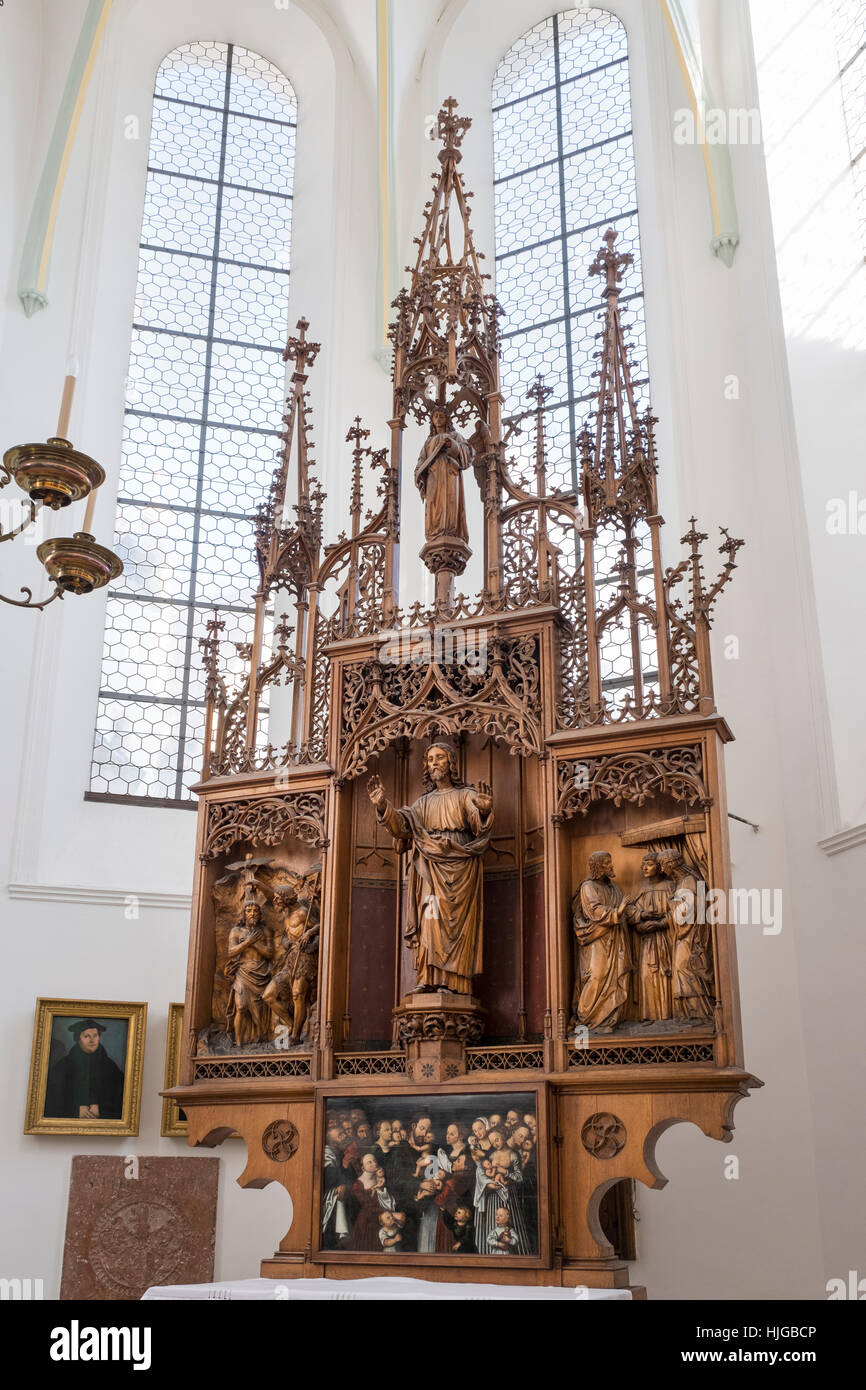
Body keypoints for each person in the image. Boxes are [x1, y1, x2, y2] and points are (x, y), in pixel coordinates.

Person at [368, 741, 493, 995]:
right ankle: (428, 978)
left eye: (440, 758)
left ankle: (455, 983)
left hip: (459, 867)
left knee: (453, 924)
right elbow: (403, 825)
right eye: (430, 759)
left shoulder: (466, 795)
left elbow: (478, 825)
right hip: (429, 869)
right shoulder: (423, 803)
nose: (434, 763)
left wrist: (483, 811)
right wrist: (383, 806)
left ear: (452, 763)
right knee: (430, 918)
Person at [571, 851, 633, 1032]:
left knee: (615, 979)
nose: (611, 866)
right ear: (598, 866)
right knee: (596, 977)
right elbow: (594, 911)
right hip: (596, 939)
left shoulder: (614, 888)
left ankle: (607, 1020)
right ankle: (586, 1020)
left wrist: (640, 914)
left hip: (615, 940)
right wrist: (617, 912)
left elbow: (626, 908)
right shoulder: (588, 887)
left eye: (610, 862)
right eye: (606, 863)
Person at [660, 850, 714, 1020]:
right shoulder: (684, 880)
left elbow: (688, 911)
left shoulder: (689, 881)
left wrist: (671, 906)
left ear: (671, 864)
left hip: (691, 934)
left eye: (663, 865)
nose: (662, 869)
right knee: (682, 970)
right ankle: (689, 1014)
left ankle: (700, 1014)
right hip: (684, 933)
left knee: (685, 969)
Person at [414, 407, 473, 545]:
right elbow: (421, 461)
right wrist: (418, 475)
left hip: (450, 474)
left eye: (442, 416)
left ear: (447, 419)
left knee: (451, 501)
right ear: (432, 421)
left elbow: (469, 452)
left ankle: (451, 531)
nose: (439, 419)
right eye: (436, 416)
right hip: (433, 477)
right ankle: (435, 533)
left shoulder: (455, 436)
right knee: (434, 505)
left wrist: (452, 445)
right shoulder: (428, 442)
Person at [43, 1019, 124, 1120]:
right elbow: (51, 1099)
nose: (92, 1040)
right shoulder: (63, 1066)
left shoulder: (110, 1066)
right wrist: (76, 1110)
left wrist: (101, 1109)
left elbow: (122, 1097)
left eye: (95, 1035)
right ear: (78, 1038)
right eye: (87, 1036)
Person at [628, 852, 674, 1021]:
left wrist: (661, 923)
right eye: (643, 864)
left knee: (665, 974)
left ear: (659, 866)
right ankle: (649, 1016)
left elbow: (679, 912)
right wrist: (641, 919)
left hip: (667, 938)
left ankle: (668, 1016)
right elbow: (630, 911)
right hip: (646, 940)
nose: (644, 868)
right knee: (647, 975)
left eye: (648, 864)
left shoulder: (670, 886)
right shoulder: (640, 888)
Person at [224, 896, 273, 1046]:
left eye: (255, 911)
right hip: (243, 972)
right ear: (244, 913)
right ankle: (239, 1043)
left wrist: (255, 944)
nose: (252, 913)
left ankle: (257, 1039)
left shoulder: (265, 931)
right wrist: (248, 942)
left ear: (260, 914)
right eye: (249, 910)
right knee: (240, 1006)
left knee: (258, 1013)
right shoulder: (236, 931)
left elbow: (270, 953)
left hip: (261, 973)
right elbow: (231, 952)